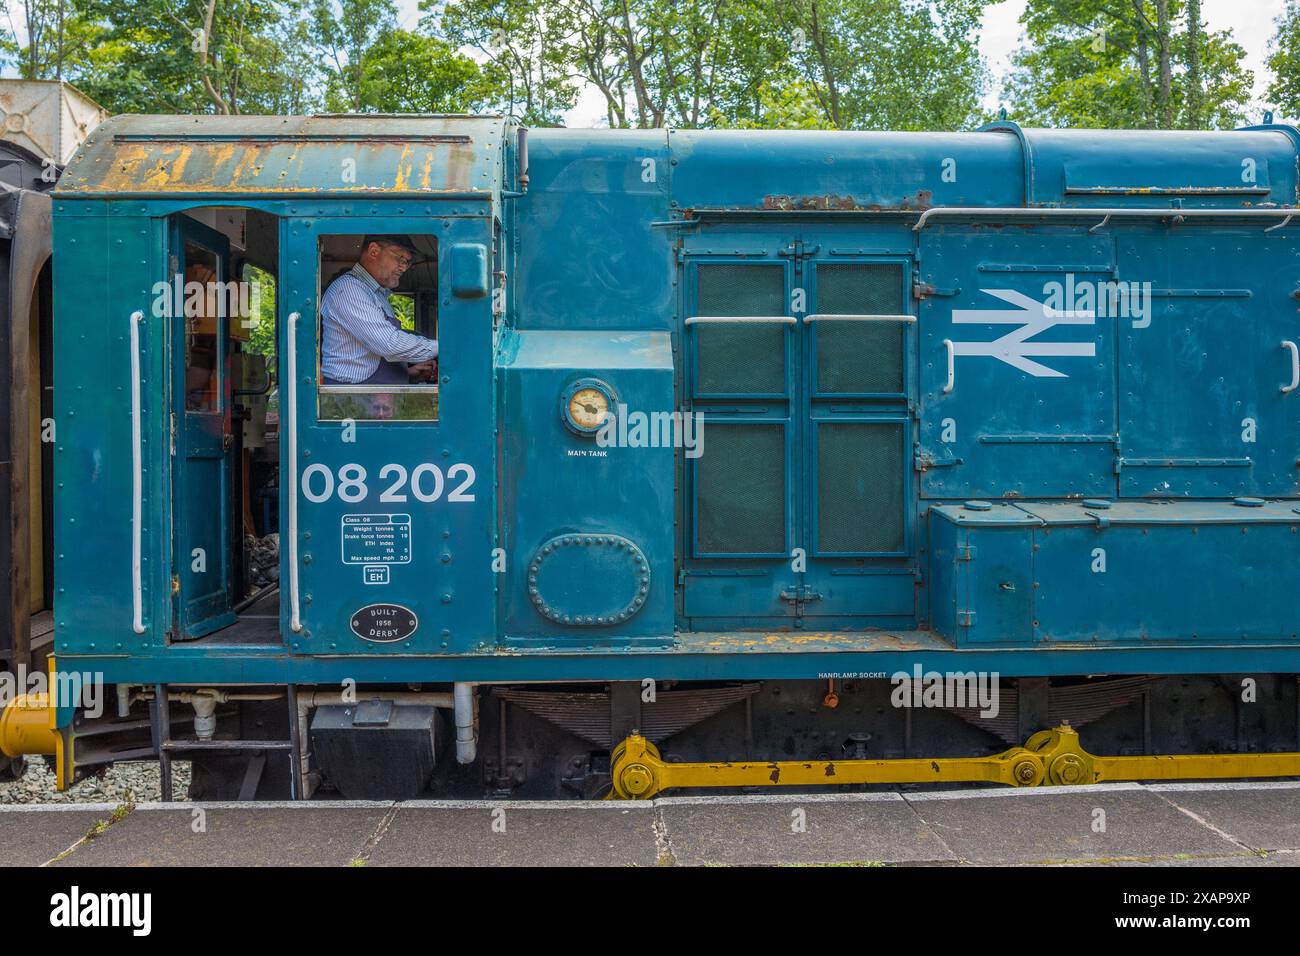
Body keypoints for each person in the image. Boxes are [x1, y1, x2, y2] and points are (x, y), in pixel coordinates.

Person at [319, 235, 438, 387]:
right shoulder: (349, 289)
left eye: (407, 262)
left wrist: (407, 375)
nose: (403, 268)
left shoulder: (377, 294)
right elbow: (390, 344)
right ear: (374, 251)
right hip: (350, 402)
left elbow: (367, 359)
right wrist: (444, 347)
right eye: (400, 259)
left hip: (370, 398)